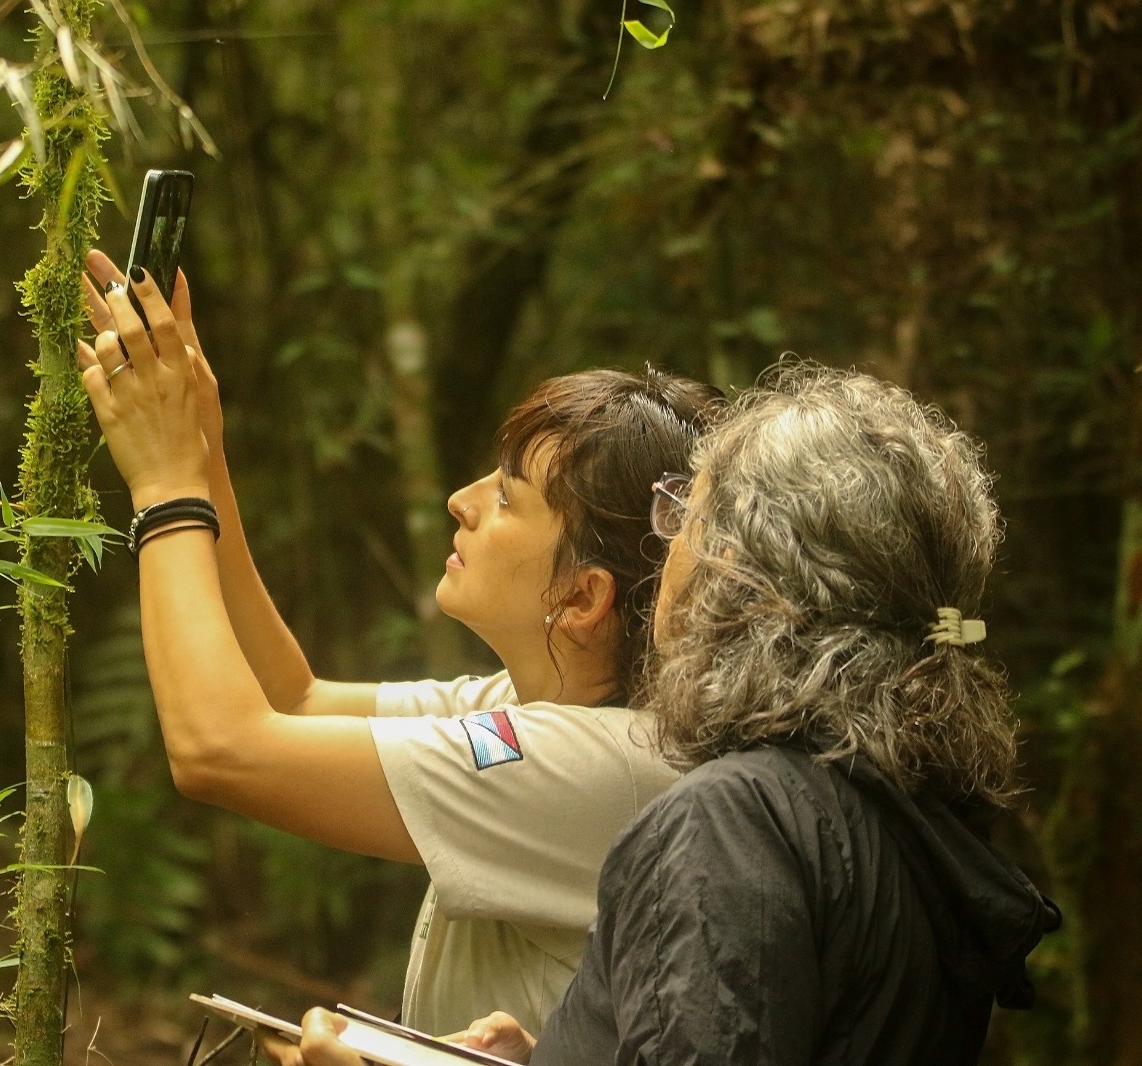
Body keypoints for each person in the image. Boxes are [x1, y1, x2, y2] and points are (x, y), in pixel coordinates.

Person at [295, 365, 1059, 1066]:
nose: (664, 553)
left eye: (682, 517)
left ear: (745, 575)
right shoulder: (901, 817)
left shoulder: (734, 822)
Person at [74, 253, 723, 1036]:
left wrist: (162, 487)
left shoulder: (602, 761)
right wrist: (202, 449)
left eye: (507, 499)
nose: (463, 501)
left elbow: (219, 750)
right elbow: (294, 701)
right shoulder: (530, 707)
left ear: (583, 597)